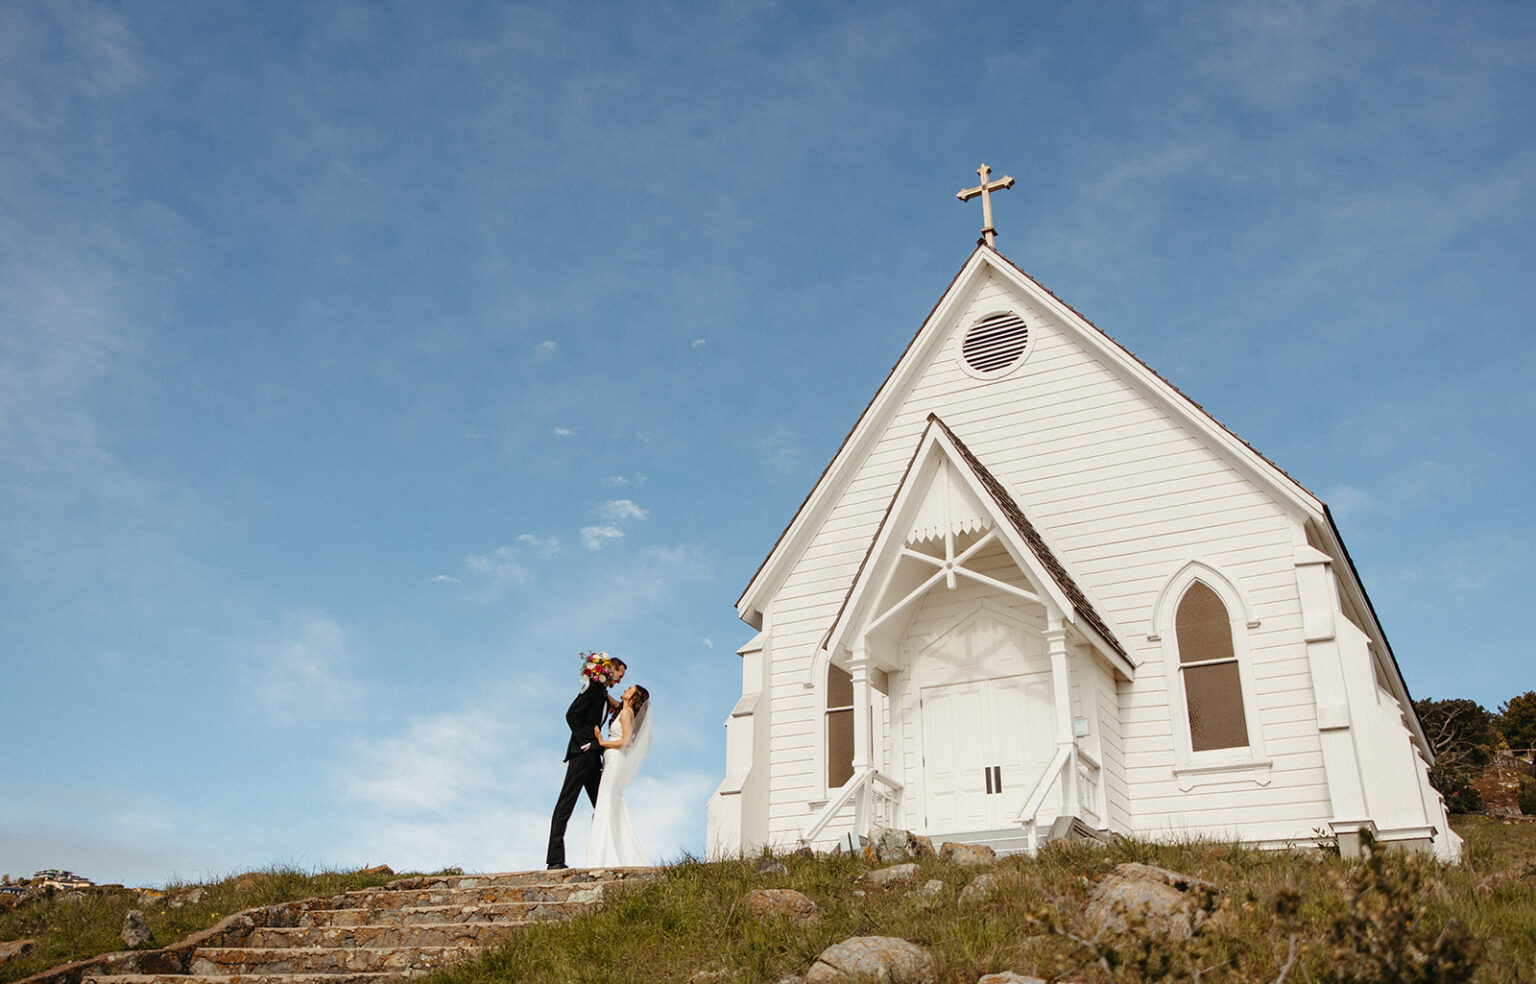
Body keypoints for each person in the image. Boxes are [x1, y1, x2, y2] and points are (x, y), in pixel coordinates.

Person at [546, 655, 625, 870]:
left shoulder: (602, 693)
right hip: (582, 754)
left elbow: (622, 709)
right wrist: (585, 743)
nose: (620, 680)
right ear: (611, 669)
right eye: (620, 674)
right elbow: (571, 715)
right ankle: (555, 860)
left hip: (594, 757)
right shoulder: (593, 689)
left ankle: (607, 855)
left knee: (603, 805)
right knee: (566, 805)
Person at [586, 684, 651, 867]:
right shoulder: (623, 709)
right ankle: (607, 850)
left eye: (629, 689)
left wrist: (602, 742)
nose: (625, 689)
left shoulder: (626, 713)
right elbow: (610, 699)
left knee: (606, 801)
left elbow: (627, 741)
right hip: (611, 760)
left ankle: (607, 854)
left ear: (634, 697)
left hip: (615, 760)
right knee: (609, 802)